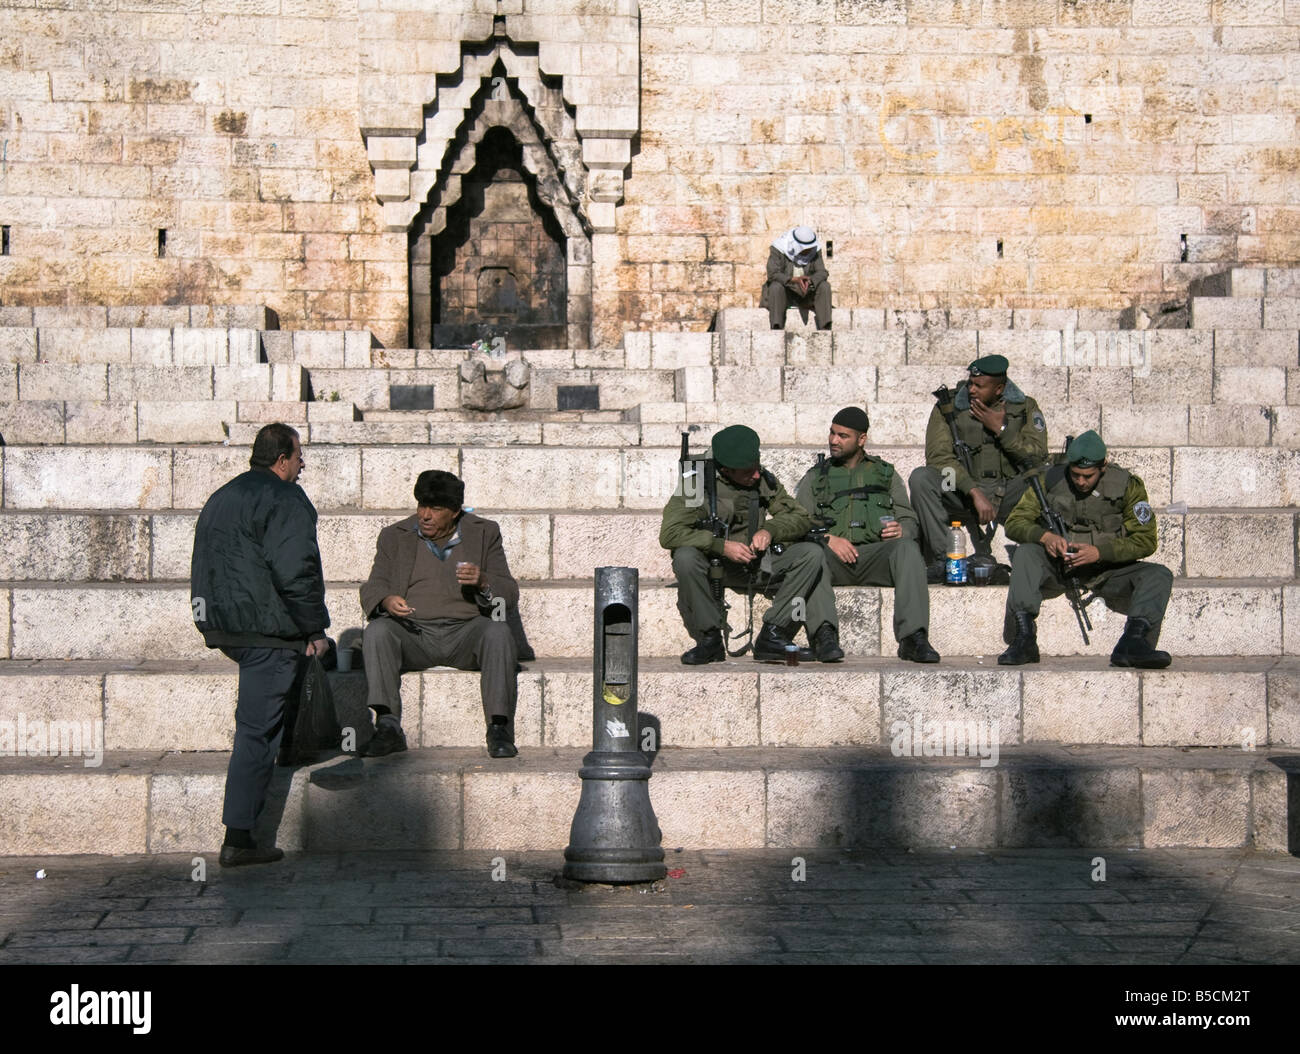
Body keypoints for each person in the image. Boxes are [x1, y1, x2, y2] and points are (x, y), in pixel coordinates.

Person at [191, 422, 330, 868]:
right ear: (282, 459)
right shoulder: (285, 498)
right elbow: (296, 570)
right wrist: (314, 629)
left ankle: (281, 762)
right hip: (267, 631)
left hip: (228, 626)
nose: (303, 463)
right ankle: (240, 838)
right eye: (298, 455)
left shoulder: (222, 496)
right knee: (255, 731)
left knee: (263, 718)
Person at [360, 470, 520, 758]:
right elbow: (374, 584)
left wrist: (484, 581)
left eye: (435, 508)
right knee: (377, 631)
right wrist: (386, 600)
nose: (425, 515)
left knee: (498, 632)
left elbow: (509, 592)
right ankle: (387, 726)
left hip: (466, 632)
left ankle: (498, 728)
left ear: (455, 511)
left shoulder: (485, 532)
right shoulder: (394, 536)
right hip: (413, 633)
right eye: (422, 505)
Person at [660, 423, 843, 664]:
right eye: (747, 472)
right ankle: (709, 639)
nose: (756, 475)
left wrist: (770, 530)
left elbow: (799, 517)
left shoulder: (761, 478)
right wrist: (720, 546)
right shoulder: (697, 481)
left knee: (811, 553)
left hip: (757, 563)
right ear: (726, 470)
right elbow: (670, 534)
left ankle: (772, 634)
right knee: (684, 557)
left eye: (756, 466)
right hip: (716, 567)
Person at [997, 430, 1173, 668]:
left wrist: (1100, 552)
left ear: (1103, 467)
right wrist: (1045, 537)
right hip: (1058, 567)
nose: (1081, 481)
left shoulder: (1127, 486)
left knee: (1159, 574)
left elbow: (1146, 540)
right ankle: (1024, 637)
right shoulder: (1049, 480)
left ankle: (1133, 642)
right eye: (1076, 474)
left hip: (1106, 571)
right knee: (1026, 553)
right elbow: (1015, 523)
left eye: (1088, 476)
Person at [795, 407, 940, 663]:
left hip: (875, 557)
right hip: (833, 560)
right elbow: (797, 525)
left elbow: (908, 518)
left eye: (843, 436)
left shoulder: (885, 474)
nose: (833, 440)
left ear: (861, 439)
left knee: (907, 548)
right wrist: (828, 539)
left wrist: (901, 529)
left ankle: (914, 638)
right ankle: (824, 636)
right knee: (811, 555)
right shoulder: (816, 478)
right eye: (832, 433)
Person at [909, 354, 1048, 582]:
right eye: (971, 383)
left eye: (979, 386)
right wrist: (972, 491)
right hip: (962, 490)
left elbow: (1037, 455)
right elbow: (939, 458)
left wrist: (1002, 430)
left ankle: (1046, 557)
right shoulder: (948, 406)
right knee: (921, 478)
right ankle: (944, 560)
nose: (971, 390)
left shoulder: (1025, 407)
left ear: (999, 389)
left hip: (1009, 490)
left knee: (1049, 477)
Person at [761, 225, 832, 330]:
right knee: (775, 286)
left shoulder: (815, 250)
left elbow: (822, 272)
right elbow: (773, 274)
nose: (808, 252)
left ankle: (825, 326)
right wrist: (794, 280)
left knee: (824, 286)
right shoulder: (778, 248)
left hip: (807, 292)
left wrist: (810, 280)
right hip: (786, 293)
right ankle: (777, 326)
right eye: (805, 249)